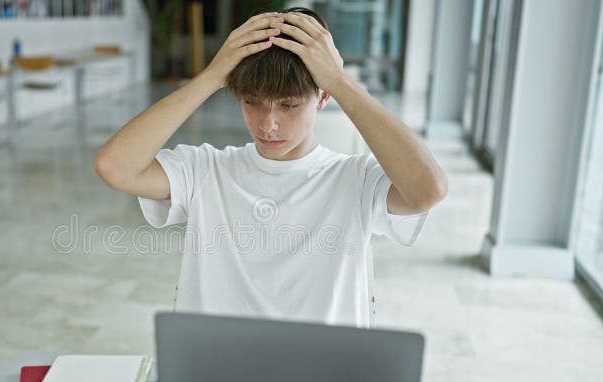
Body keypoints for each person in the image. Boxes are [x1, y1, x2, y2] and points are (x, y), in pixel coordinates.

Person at [94, 7, 448, 327]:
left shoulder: (355, 180)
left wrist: (340, 82)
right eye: (252, 102)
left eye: (289, 105)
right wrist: (211, 76)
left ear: (322, 97)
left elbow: (427, 190)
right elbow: (115, 166)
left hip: (324, 379)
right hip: (217, 374)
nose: (268, 124)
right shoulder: (206, 170)